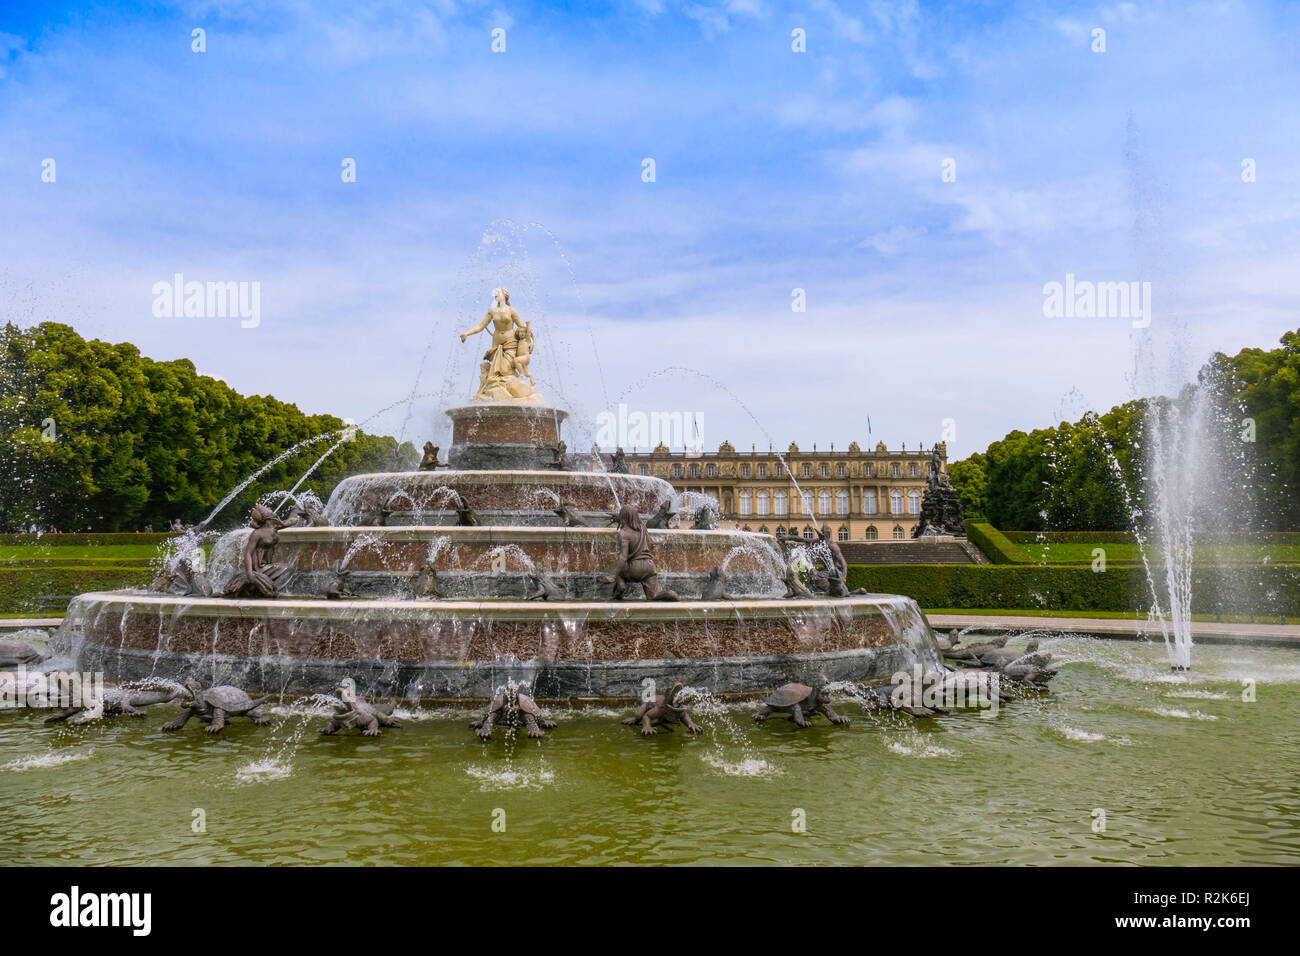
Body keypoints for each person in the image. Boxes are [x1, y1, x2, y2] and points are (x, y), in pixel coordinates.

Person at [612, 504, 678, 601]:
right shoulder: (642, 527)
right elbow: (634, 519)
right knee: (653, 596)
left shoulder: (624, 533)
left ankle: (621, 586)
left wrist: (612, 575)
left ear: (623, 517)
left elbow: (623, 557)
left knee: (617, 568)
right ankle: (670, 593)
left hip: (633, 568)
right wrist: (620, 518)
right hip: (649, 567)